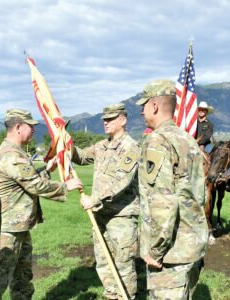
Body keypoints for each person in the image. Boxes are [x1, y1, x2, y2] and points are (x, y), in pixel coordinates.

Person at [0, 109, 82, 299]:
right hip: (9, 230)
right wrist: (65, 186)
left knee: (22, 279)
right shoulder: (10, 154)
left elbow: (23, 182)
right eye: (30, 126)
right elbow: (33, 184)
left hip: (19, 227)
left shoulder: (16, 152)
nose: (33, 130)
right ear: (17, 127)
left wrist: (46, 170)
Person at [136, 80, 208, 299]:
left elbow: (163, 202)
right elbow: (199, 193)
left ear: (155, 106)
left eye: (144, 105)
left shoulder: (157, 141)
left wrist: (155, 251)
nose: (141, 112)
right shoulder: (188, 139)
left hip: (171, 253)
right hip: (192, 246)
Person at [76, 103, 140, 299]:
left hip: (120, 216)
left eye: (111, 118)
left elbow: (122, 180)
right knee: (103, 262)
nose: (105, 122)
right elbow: (81, 157)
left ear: (123, 120)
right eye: (104, 119)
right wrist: (65, 145)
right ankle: (111, 295)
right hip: (100, 214)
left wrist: (94, 199)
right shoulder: (102, 145)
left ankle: (125, 297)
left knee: (123, 264)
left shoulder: (131, 147)